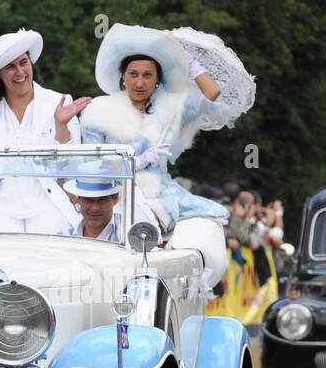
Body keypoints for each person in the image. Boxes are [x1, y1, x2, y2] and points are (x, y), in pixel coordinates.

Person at [79, 23, 254, 290]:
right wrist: (133, 163)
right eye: (133, 74)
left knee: (204, 234)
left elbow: (215, 97)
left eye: (148, 75)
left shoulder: (171, 106)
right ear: (122, 76)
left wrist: (192, 64)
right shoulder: (99, 112)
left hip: (164, 193)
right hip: (114, 194)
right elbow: (91, 166)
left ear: (157, 79)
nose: (139, 82)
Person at [0, 29, 91, 233]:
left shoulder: (59, 102)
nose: (19, 72)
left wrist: (61, 127)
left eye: (23, 63)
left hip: (47, 202)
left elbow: (70, 169)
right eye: (10, 67)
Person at [59, 176, 158, 242]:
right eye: (88, 200)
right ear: (78, 200)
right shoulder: (67, 237)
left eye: (102, 200)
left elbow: (152, 239)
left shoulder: (127, 231)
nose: (95, 208)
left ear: (115, 198)